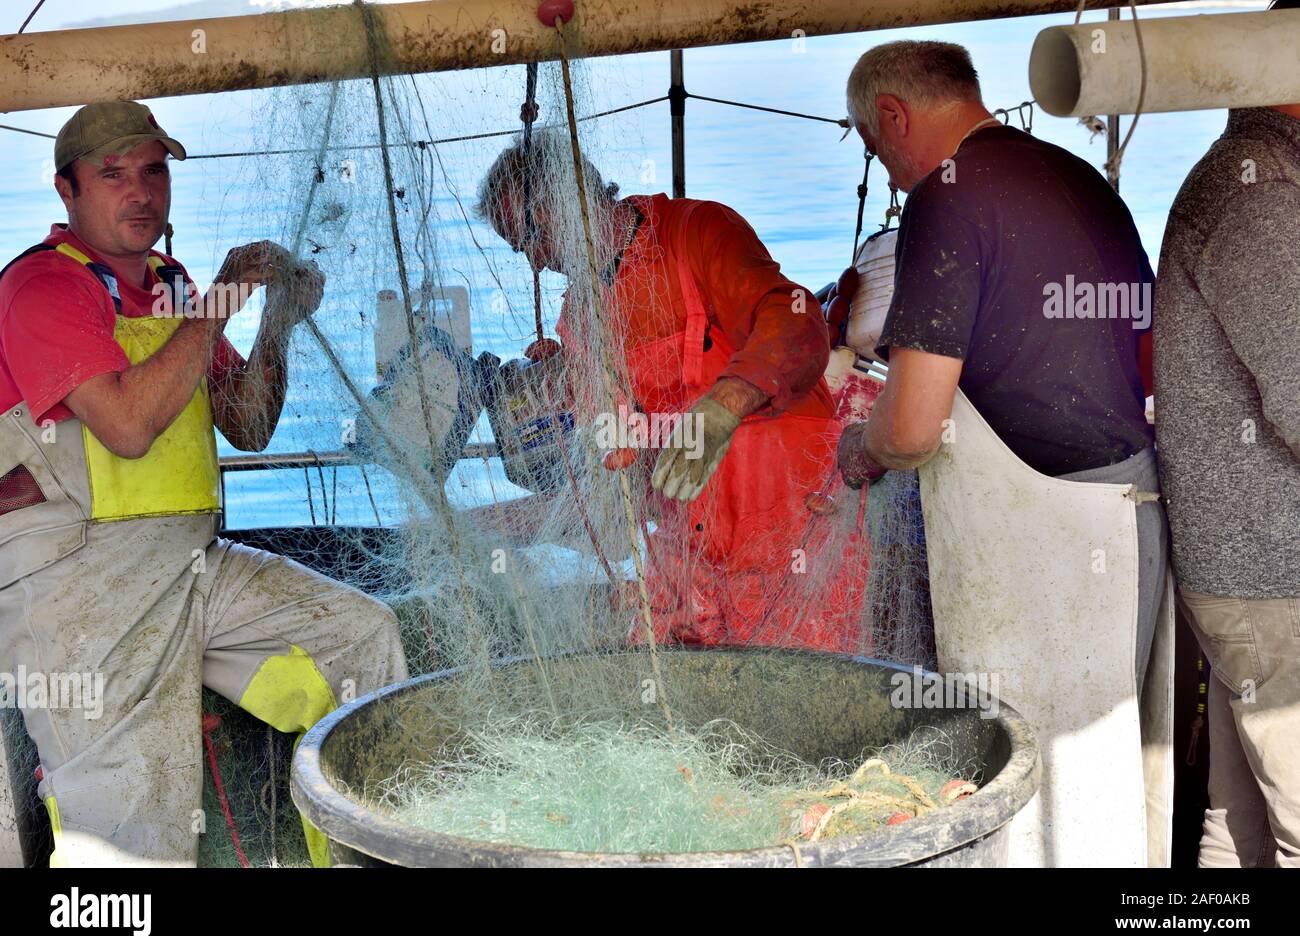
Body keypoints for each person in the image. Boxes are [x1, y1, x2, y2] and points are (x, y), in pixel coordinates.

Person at [0, 101, 408, 867]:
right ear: (67, 191)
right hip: (77, 584)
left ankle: (368, 856)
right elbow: (125, 424)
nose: (141, 191)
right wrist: (226, 293)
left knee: (362, 640)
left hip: (192, 562)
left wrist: (276, 318)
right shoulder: (41, 288)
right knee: (133, 833)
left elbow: (248, 423)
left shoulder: (172, 286)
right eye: (112, 173)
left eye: (153, 170)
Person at [834, 40, 1167, 683]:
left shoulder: (943, 198)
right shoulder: (1082, 179)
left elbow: (910, 430)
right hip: (1132, 510)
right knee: (1112, 751)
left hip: (1035, 530)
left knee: (1016, 756)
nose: (890, 175)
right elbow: (1149, 355)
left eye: (877, 151)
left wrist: (860, 449)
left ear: (893, 114)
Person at [476, 134, 867, 650]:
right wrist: (573, 409)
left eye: (529, 239)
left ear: (562, 200)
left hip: (794, 536)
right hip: (694, 548)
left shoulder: (697, 231)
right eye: (520, 250)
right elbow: (625, 463)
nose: (534, 263)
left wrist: (721, 411)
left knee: (800, 703)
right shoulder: (578, 317)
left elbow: (798, 326)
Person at [1153, 0, 1300, 868]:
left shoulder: (1262, 179)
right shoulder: (1256, 194)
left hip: (1246, 567)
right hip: (1267, 575)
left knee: (1241, 819)